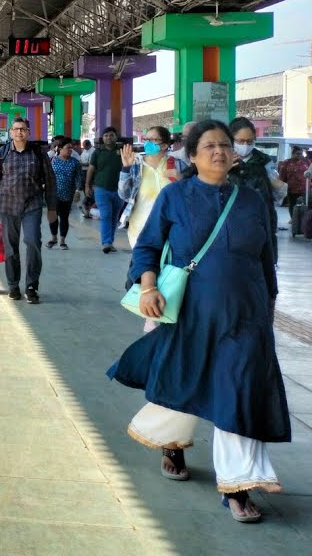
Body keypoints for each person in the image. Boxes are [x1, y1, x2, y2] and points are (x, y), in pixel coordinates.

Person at [107, 120, 288, 523]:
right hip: (191, 311)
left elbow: (266, 257)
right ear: (191, 155)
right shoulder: (175, 196)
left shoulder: (251, 200)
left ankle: (238, 485)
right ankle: (172, 441)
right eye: (209, 146)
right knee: (187, 377)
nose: (220, 152)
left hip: (245, 314)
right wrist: (149, 287)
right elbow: (149, 246)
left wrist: (269, 307)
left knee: (238, 389)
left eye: (226, 145)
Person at [0, 117, 57, 304]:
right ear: (11, 132)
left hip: (32, 205)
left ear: (28, 132)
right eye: (16, 129)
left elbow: (50, 180)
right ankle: (13, 285)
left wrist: (52, 207)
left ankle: (31, 286)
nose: (20, 132)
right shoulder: (3, 153)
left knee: (33, 242)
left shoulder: (38, 153)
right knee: (11, 248)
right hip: (7, 205)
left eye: (23, 129)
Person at [118, 126, 186, 250]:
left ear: (165, 145)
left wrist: (181, 178)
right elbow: (124, 195)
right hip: (140, 229)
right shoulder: (136, 165)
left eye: (152, 140)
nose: (148, 143)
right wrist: (126, 168)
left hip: (171, 229)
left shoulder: (177, 165)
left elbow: (191, 193)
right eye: (146, 139)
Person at [228, 117, 283, 261]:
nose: (245, 145)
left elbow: (276, 193)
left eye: (250, 141)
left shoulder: (264, 160)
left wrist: (280, 186)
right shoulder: (220, 158)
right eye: (240, 141)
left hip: (261, 219)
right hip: (230, 221)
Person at [86, 127, 125, 253]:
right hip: (101, 188)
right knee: (106, 215)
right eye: (106, 135)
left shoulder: (122, 151)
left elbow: (129, 167)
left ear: (116, 136)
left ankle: (110, 242)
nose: (108, 137)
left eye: (111, 135)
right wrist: (87, 185)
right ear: (102, 138)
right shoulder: (97, 152)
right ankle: (106, 242)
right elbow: (91, 169)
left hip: (119, 190)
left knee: (114, 217)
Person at [47, 140, 82, 250]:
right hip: (53, 194)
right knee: (53, 216)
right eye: (68, 148)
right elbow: (47, 176)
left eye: (71, 148)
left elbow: (79, 178)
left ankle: (62, 240)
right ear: (60, 149)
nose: (70, 150)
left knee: (64, 217)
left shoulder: (75, 163)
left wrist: (77, 191)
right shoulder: (53, 161)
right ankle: (53, 238)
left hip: (67, 194)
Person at [277, 146, 309, 231]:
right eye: (297, 154)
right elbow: (281, 176)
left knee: (305, 205)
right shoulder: (286, 163)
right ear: (293, 154)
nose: (300, 155)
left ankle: (304, 221)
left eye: (301, 154)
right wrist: (280, 187)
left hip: (305, 188)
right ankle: (294, 219)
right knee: (292, 205)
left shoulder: (306, 162)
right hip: (291, 188)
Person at [77, 139, 95, 219]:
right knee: (85, 188)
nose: (84, 148)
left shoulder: (93, 151)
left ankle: (89, 204)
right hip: (83, 171)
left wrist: (81, 163)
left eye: (85, 146)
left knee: (89, 188)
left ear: (88, 145)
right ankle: (87, 203)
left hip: (89, 171)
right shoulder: (84, 151)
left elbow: (91, 163)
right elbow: (81, 158)